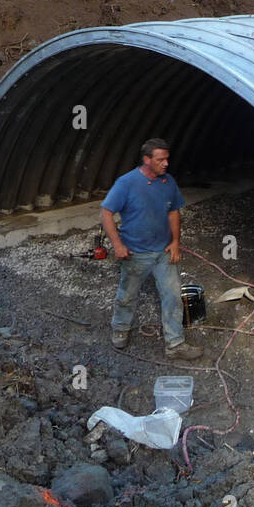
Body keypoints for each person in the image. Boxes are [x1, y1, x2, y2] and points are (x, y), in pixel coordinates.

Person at [100, 138, 202, 360]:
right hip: (135, 253)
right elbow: (106, 212)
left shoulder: (168, 182)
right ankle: (120, 329)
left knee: (173, 296)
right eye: (160, 160)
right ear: (147, 160)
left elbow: (174, 211)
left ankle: (175, 344)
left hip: (164, 252)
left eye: (167, 159)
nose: (165, 164)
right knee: (127, 295)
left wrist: (175, 242)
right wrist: (117, 244)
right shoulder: (126, 183)